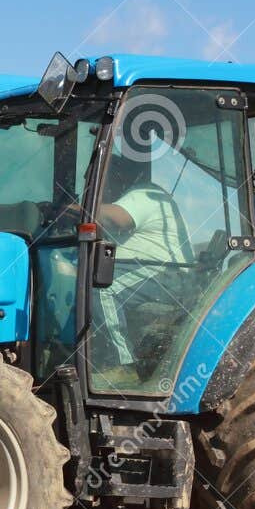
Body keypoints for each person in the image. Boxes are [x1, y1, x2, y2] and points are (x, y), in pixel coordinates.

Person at [93, 154, 191, 372]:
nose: (98, 187)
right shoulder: (127, 198)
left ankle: (122, 365)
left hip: (166, 273)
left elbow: (118, 218)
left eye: (99, 180)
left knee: (100, 287)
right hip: (145, 274)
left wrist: (73, 209)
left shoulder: (147, 194)